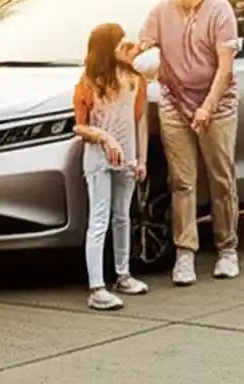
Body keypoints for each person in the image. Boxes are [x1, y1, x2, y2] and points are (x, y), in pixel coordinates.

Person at [137, 0, 241, 286]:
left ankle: (227, 250)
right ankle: (185, 255)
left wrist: (208, 107)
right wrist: (127, 51)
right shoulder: (161, 11)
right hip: (174, 103)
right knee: (181, 181)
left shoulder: (220, 10)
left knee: (221, 179)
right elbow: (142, 46)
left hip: (217, 104)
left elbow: (225, 68)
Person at [72, 22, 150, 310]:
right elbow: (79, 127)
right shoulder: (87, 83)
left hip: (127, 156)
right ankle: (96, 287)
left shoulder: (135, 80)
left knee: (123, 216)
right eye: (119, 44)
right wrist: (103, 137)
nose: (124, 48)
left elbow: (139, 119)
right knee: (100, 218)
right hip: (98, 158)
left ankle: (123, 274)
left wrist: (141, 158)